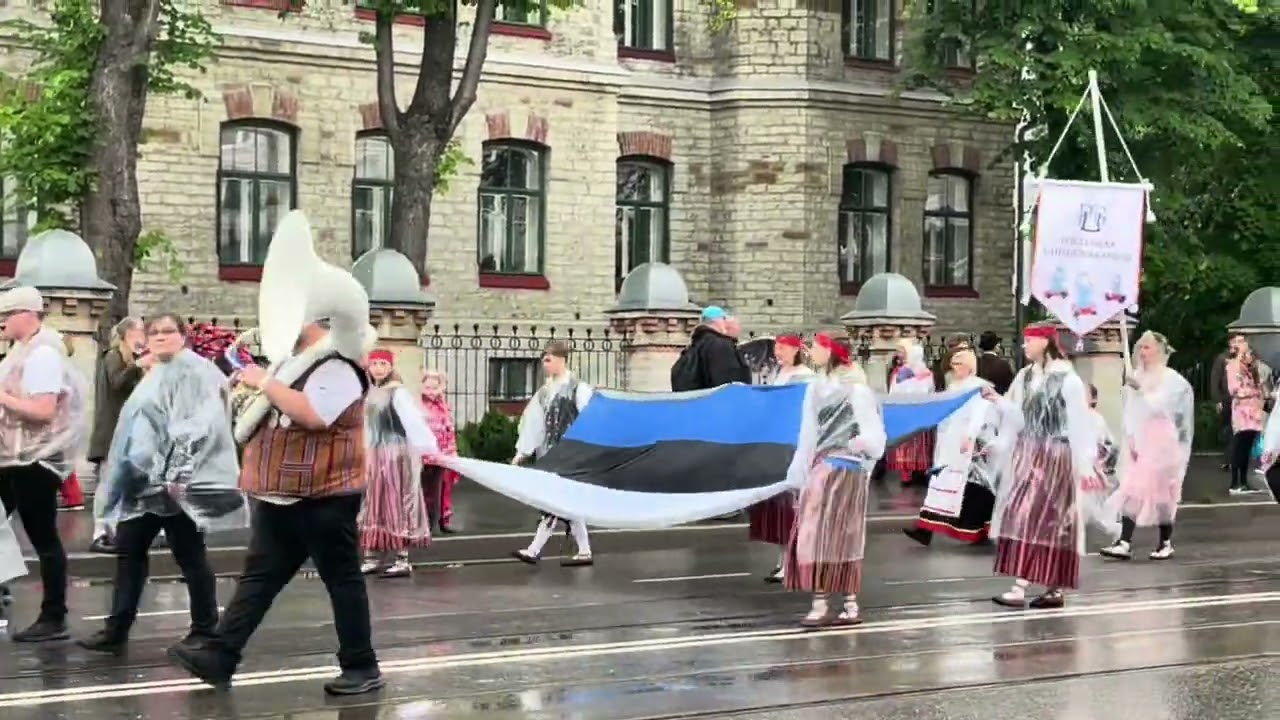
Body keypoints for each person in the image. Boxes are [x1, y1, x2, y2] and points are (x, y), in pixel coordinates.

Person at [168, 310, 383, 695]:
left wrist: (265, 382)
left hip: (325, 493)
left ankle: (362, 665)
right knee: (259, 578)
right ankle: (222, 654)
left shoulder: (337, 365)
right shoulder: (294, 363)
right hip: (282, 493)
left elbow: (315, 415)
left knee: (342, 581)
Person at [77, 314, 243, 653]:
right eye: (154, 331)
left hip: (176, 483)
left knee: (189, 554)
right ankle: (116, 628)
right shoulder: (155, 372)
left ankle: (205, 629)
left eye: (169, 331)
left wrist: (177, 474)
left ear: (184, 335)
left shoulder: (196, 372)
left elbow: (200, 426)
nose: (160, 337)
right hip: (145, 481)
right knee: (130, 550)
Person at [0, 286, 89, 642]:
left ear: (27, 314)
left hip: (35, 460)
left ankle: (54, 616)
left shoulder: (43, 355)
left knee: (43, 537)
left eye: (6, 315)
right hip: (12, 457)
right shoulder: (21, 351)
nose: (2, 321)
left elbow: (43, 410)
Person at [988, 323, 1096, 610]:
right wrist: (997, 404)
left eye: (1029, 340)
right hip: (1029, 453)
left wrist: (1084, 465)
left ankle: (1021, 586)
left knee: (1042, 517)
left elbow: (1079, 424)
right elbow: (1016, 415)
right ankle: (1052, 587)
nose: (1024, 346)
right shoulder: (1024, 377)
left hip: (1056, 456)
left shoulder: (1067, 380)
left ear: (1045, 342)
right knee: (1028, 515)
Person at [785, 333, 884, 627]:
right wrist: (799, 472)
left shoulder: (857, 390)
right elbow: (808, 434)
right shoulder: (816, 388)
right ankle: (821, 599)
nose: (811, 350)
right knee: (816, 531)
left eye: (816, 346)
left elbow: (874, 434)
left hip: (847, 468)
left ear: (830, 351)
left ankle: (848, 601)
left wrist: (860, 445)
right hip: (822, 465)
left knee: (845, 532)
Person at [1100, 332, 1194, 561]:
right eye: (1141, 347)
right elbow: (1132, 410)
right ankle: (1124, 541)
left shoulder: (1171, 379)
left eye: (1148, 347)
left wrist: (1141, 390)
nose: (1143, 352)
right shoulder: (1137, 375)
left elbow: (1163, 408)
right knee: (1133, 488)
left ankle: (1165, 541)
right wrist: (1131, 436)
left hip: (1162, 440)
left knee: (1162, 492)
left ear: (1160, 350)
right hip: (1141, 440)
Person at [511, 340, 596, 566]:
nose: (545, 364)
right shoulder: (545, 391)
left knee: (555, 503)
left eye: (548, 359)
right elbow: (533, 423)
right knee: (566, 504)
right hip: (549, 455)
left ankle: (534, 549)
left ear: (561, 359)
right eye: (543, 360)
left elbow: (589, 422)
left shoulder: (579, 389)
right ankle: (584, 550)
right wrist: (522, 452)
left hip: (570, 456)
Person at [904, 348, 1000, 547]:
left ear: (968, 366)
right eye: (953, 364)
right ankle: (926, 529)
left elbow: (980, 414)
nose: (954, 368)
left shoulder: (978, 387)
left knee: (971, 487)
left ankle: (977, 528)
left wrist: (970, 436)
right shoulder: (955, 386)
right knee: (944, 484)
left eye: (958, 363)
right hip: (950, 443)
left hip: (968, 445)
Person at [358, 348, 435, 578]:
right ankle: (372, 555)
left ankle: (402, 558)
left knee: (397, 502)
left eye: (383, 364)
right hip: (374, 454)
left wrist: (426, 447)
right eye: (375, 364)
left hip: (396, 454)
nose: (379, 368)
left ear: (391, 367)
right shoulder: (369, 392)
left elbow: (413, 423)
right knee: (373, 502)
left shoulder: (397, 393)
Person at [748, 335, 816, 583]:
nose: (778, 352)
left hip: (792, 443)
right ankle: (785, 558)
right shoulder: (780, 373)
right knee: (781, 506)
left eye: (783, 348)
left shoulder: (804, 375)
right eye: (776, 348)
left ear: (796, 350)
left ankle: (793, 560)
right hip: (778, 443)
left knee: (792, 504)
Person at [87, 317, 148, 553]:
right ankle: (101, 532)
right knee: (108, 483)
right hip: (111, 432)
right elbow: (116, 383)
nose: (141, 338)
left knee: (127, 483)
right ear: (124, 336)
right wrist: (138, 365)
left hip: (129, 432)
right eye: (136, 334)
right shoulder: (113, 356)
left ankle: (118, 529)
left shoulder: (132, 361)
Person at [1225, 335, 1271, 494]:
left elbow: (1259, 386)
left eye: (1244, 341)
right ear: (1234, 345)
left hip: (1253, 413)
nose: (1245, 344)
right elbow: (1235, 390)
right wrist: (1255, 392)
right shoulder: (1233, 366)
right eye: (1241, 341)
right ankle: (1235, 483)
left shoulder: (1249, 366)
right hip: (1242, 412)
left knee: (1246, 448)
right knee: (1239, 447)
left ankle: (1244, 481)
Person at [886, 339, 934, 485]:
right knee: (908, 443)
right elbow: (894, 391)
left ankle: (918, 470)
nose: (900, 354)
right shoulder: (901, 372)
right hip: (908, 411)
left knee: (918, 443)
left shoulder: (923, 372)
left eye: (903, 351)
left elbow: (927, 391)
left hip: (916, 411)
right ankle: (907, 472)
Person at [670, 306, 750, 391]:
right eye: (724, 319)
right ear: (718, 321)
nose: (727, 324)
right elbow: (728, 384)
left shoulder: (692, 348)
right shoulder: (720, 346)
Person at [420, 369, 460, 534]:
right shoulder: (418, 406)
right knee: (425, 492)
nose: (431, 392)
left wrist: (452, 452)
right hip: (425, 457)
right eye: (427, 387)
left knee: (444, 488)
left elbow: (449, 431)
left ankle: (443, 519)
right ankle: (424, 524)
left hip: (442, 456)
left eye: (434, 388)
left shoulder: (443, 406)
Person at [977, 331, 1016, 396]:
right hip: (998, 401)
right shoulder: (1003, 364)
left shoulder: (976, 362)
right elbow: (1011, 386)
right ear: (996, 345)